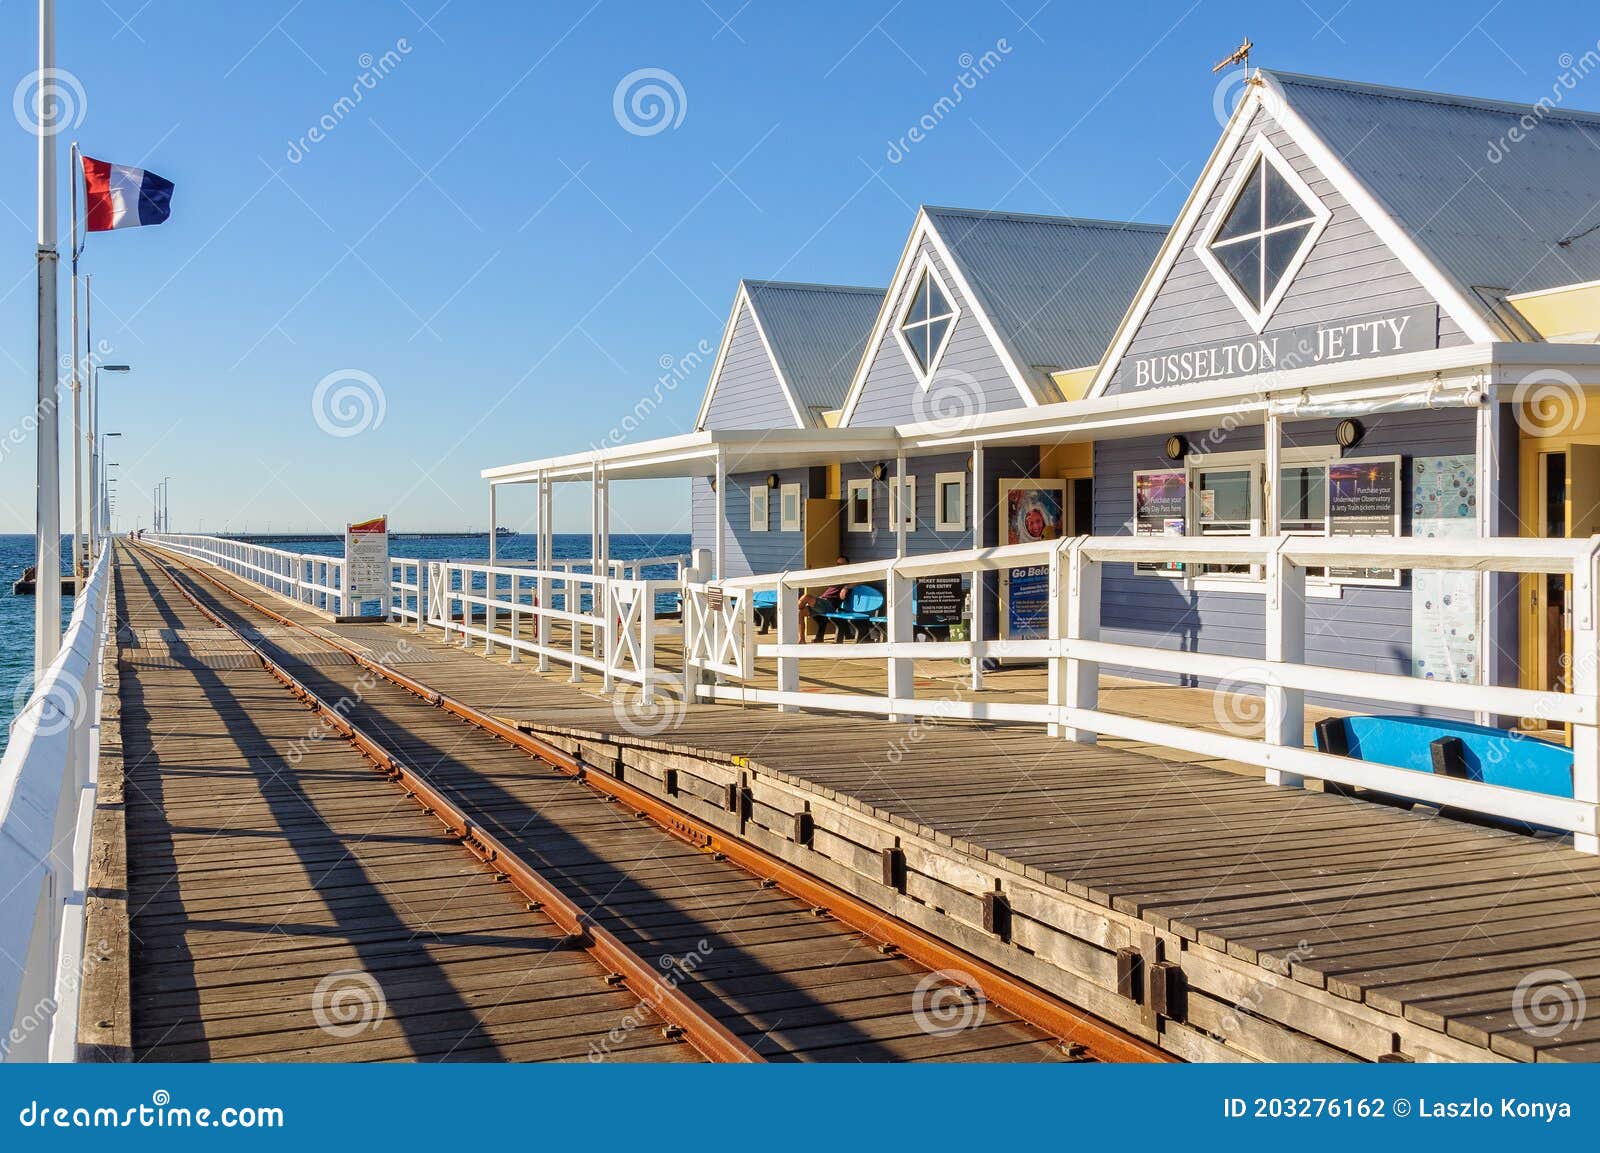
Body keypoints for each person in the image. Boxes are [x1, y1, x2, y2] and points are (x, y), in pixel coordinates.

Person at [798, 555, 851, 642]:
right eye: (838, 564)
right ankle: (801, 639)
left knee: (805, 597)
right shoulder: (837, 576)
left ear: (848, 565)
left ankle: (792, 611)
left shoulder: (850, 575)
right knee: (800, 613)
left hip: (829, 605)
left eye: (842, 564)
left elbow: (860, 581)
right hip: (822, 602)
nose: (840, 566)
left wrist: (846, 587)